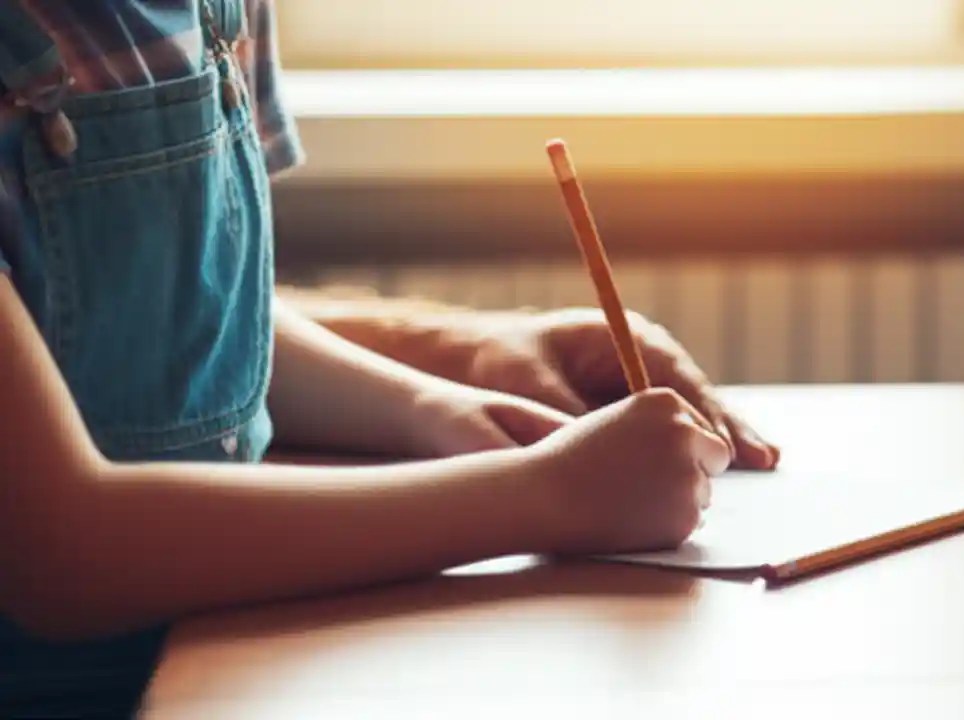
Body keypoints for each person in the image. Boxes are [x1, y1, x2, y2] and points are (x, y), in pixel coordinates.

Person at [0, 1, 778, 715]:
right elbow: (58, 550)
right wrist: (542, 496)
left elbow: (187, 324)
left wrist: (431, 402)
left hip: (219, 649)